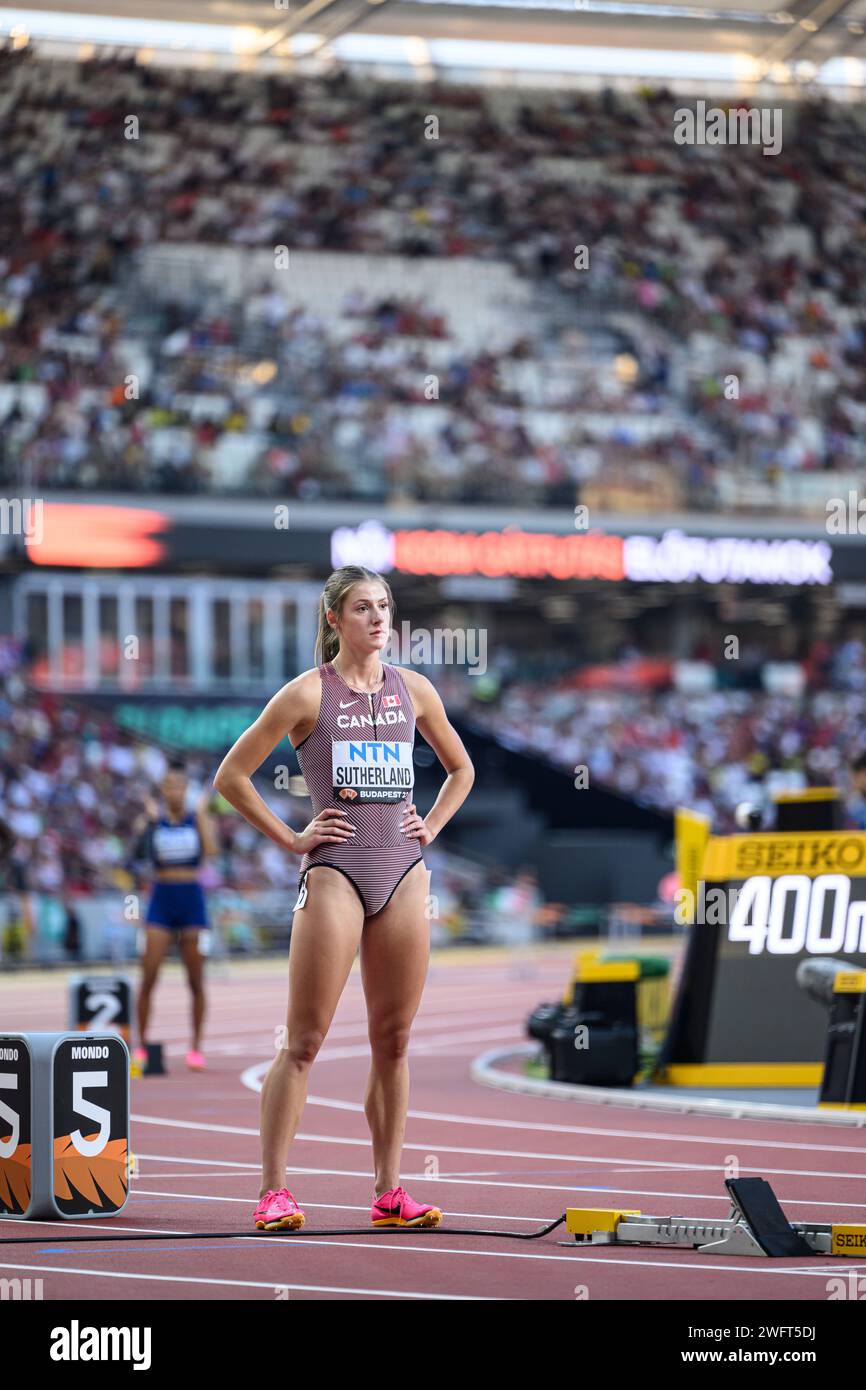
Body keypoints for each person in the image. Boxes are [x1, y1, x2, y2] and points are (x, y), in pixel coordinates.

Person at [214, 566, 475, 1232]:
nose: (379, 618)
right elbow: (231, 776)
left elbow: (461, 767)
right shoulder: (307, 695)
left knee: (394, 1041)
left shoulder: (413, 690)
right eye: (364, 608)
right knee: (303, 1041)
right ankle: (273, 1190)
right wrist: (293, 838)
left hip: (404, 872)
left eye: (385, 607)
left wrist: (433, 825)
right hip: (335, 873)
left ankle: (389, 1190)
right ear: (334, 619)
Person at [131, 759, 217, 1070]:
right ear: (162, 790)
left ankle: (195, 1048)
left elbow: (211, 852)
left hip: (192, 899)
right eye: (169, 786)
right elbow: (137, 856)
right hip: (161, 899)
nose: (174, 791)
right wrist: (147, 823)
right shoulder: (153, 821)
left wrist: (205, 815)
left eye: (179, 786)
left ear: (187, 790)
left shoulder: (197, 818)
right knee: (148, 974)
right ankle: (142, 1047)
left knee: (195, 980)